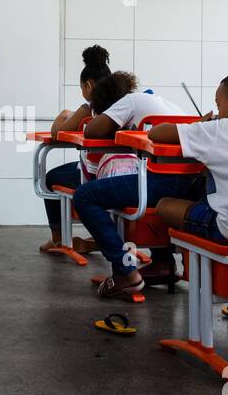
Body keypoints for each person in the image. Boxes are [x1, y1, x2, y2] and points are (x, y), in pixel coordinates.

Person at [73, 77, 195, 297]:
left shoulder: (129, 101)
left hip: (160, 183)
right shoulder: (167, 103)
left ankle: (125, 272)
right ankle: (162, 264)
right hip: (190, 184)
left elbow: (92, 131)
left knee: (85, 196)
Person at [151, 66, 228, 244]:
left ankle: (177, 264)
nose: (218, 112)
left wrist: (200, 124)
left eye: (219, 105)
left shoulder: (221, 128)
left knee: (164, 205)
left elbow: (157, 133)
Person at [39, 45, 114, 252]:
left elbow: (57, 133)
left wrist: (64, 114)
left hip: (96, 173)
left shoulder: (89, 108)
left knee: (50, 177)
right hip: (127, 171)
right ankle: (100, 235)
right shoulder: (122, 104)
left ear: (88, 86)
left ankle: (58, 238)